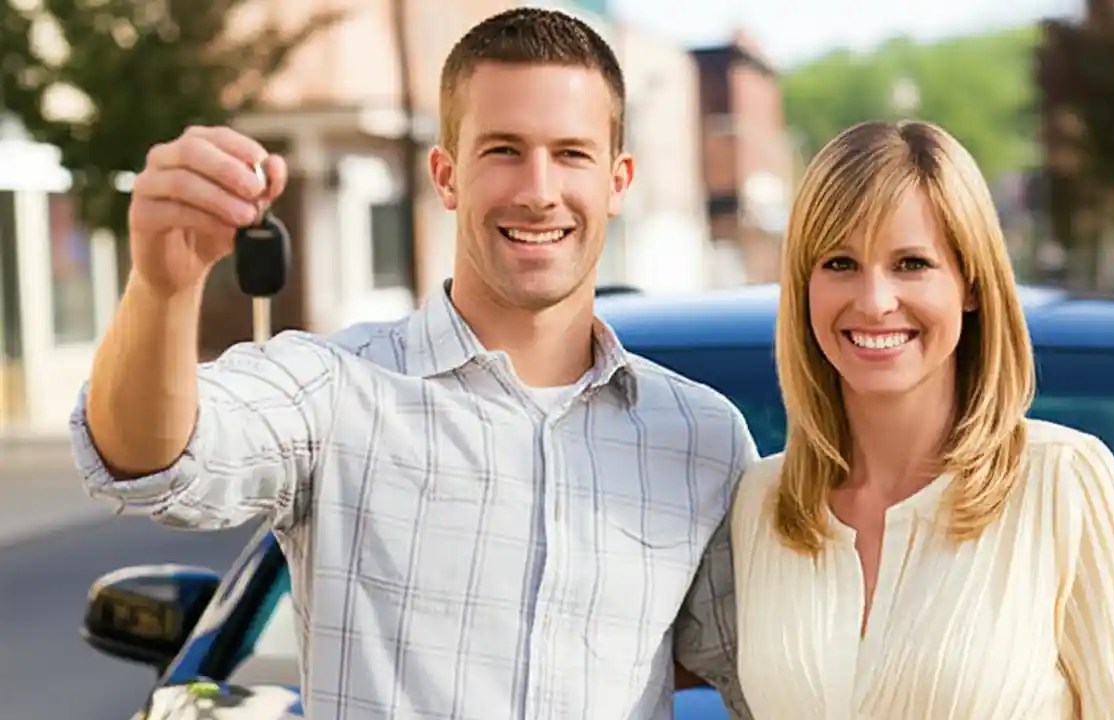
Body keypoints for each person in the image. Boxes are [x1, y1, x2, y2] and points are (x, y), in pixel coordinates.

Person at [70, 8, 756, 719]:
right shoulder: (335, 391)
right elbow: (147, 458)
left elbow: (783, 678)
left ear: (618, 181)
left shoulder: (700, 439)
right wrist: (162, 287)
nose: (538, 189)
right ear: (446, 173)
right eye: (503, 150)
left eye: (571, 153)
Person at [729, 120, 1114, 718]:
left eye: (911, 263)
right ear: (803, 287)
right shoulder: (763, 502)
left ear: (971, 282)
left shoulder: (1066, 484)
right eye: (840, 263)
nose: (873, 301)